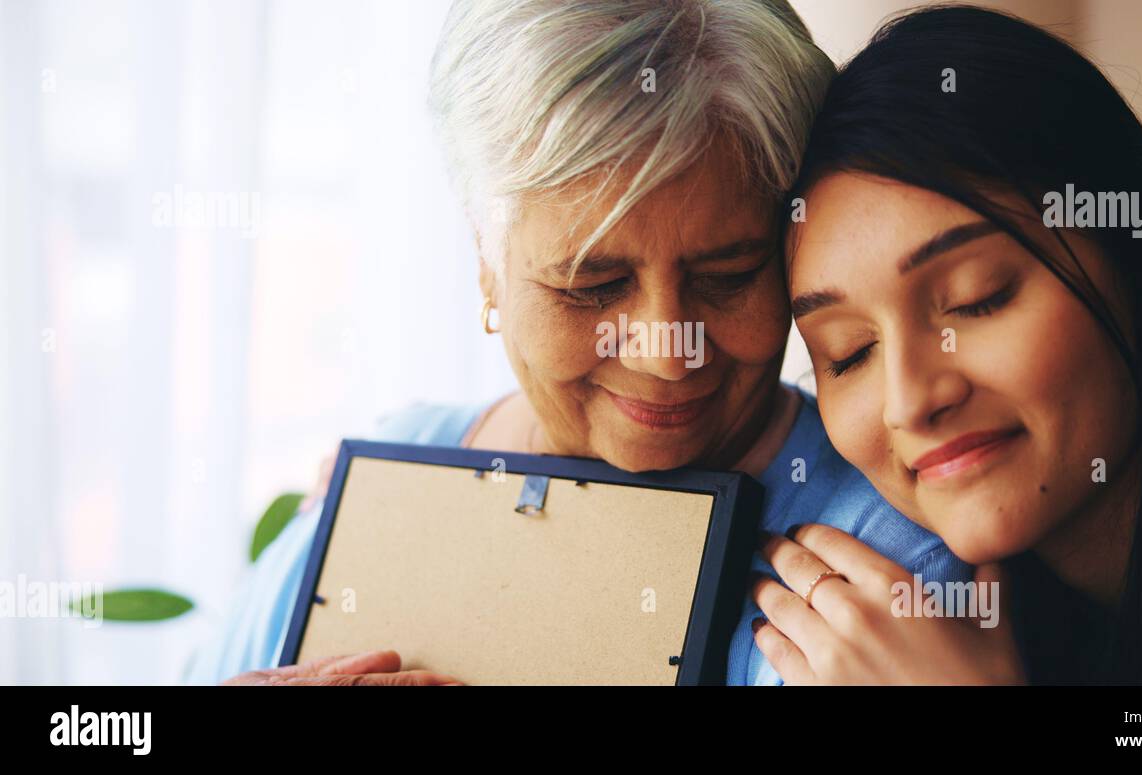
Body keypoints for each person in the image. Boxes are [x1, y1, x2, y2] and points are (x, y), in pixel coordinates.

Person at [186, 0, 968, 687]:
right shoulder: (383, 469)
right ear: (487, 264)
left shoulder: (890, 575)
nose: (666, 352)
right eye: (588, 286)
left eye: (728, 274)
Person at [755, 5, 1142, 685]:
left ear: (1135, 255)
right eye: (847, 353)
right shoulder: (958, 611)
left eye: (977, 297)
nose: (910, 401)